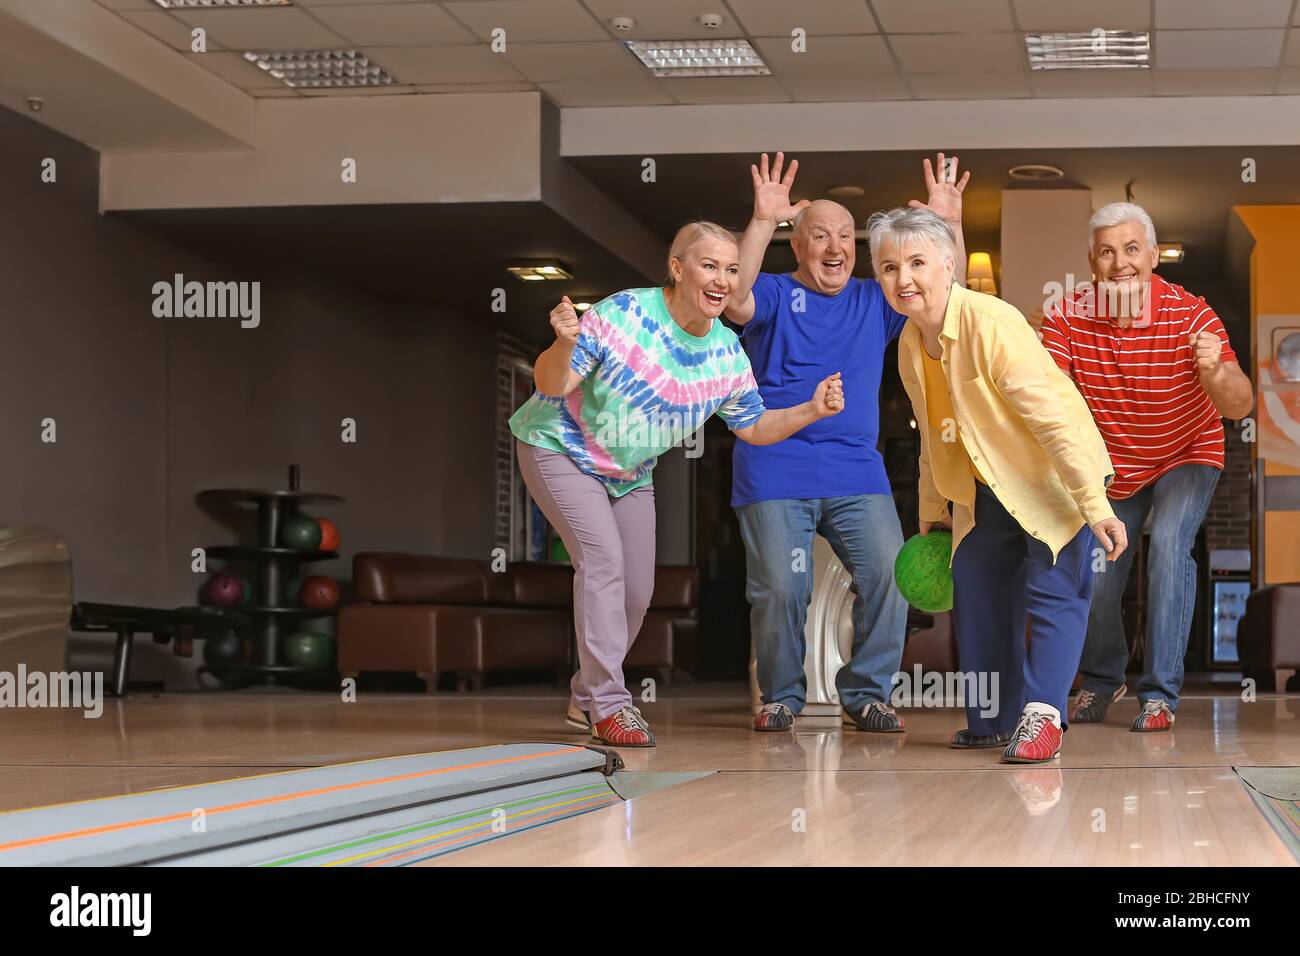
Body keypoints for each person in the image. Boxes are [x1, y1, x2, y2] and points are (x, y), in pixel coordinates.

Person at [509, 221, 845, 748]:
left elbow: (754, 426)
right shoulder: (624, 313)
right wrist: (562, 344)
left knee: (639, 590)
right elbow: (555, 383)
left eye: (732, 270)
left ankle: (585, 694)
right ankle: (611, 706)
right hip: (559, 446)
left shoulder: (726, 353)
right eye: (709, 266)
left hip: (629, 470)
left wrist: (809, 409)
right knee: (602, 562)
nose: (723, 280)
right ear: (677, 268)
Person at [872, 206, 1127, 764]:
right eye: (889, 267)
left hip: (1054, 477)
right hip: (986, 485)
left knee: (1053, 588)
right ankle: (992, 719)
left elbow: (1053, 421)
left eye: (917, 263)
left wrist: (1094, 504)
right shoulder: (911, 347)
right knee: (976, 583)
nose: (903, 278)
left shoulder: (990, 323)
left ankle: (1042, 719)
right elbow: (933, 438)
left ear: (948, 265)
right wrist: (934, 508)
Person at [724, 152, 969, 733]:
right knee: (783, 585)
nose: (834, 248)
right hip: (774, 465)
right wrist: (761, 221)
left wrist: (948, 228)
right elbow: (734, 300)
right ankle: (782, 695)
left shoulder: (872, 299)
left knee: (890, 573)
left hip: (857, 472)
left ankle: (866, 693)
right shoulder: (777, 295)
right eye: (819, 237)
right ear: (797, 244)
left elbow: (945, 291)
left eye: (845, 238)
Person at [1041, 203, 1253, 732]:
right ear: (1092, 260)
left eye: (1132, 249)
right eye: (1108, 251)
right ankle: (1101, 678)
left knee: (1168, 546)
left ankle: (1158, 695)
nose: (1121, 263)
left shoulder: (1192, 315)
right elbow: (1046, 400)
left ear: (1154, 256)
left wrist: (1215, 371)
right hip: (1113, 465)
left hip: (1186, 450)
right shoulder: (1066, 315)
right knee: (1099, 565)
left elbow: (1240, 405)